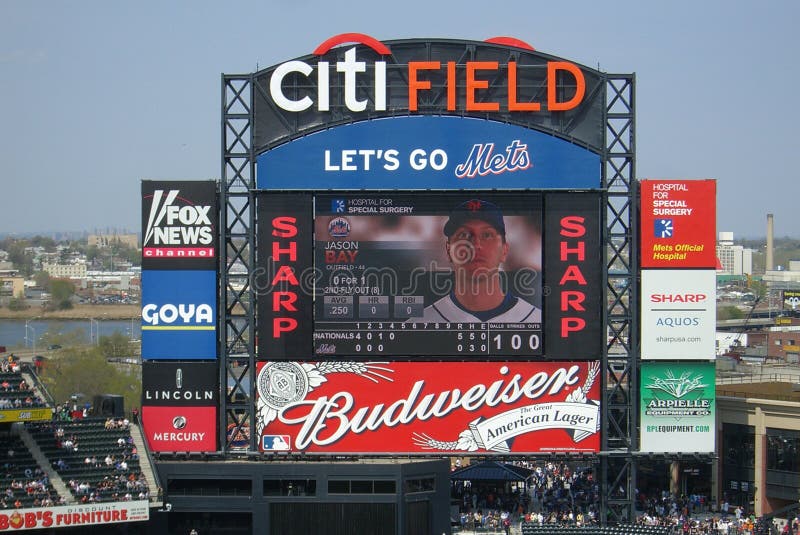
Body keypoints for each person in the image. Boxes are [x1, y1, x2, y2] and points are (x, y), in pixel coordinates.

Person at [414, 199, 540, 323]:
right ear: (448, 250)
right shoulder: (418, 325)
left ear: (504, 250)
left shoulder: (538, 321)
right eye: (464, 235)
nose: (476, 245)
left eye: (487, 235)